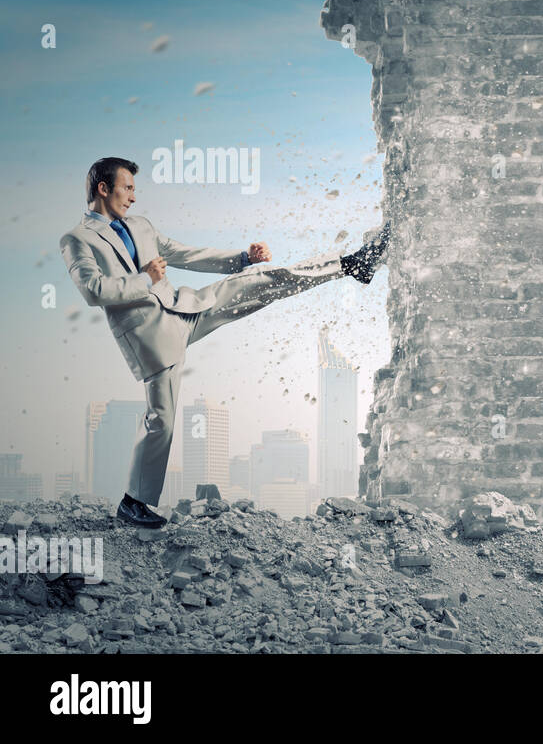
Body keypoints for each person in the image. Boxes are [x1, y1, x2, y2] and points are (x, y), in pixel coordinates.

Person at [60, 156, 390, 528]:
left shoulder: (140, 225)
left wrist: (242, 258)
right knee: (162, 420)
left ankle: (350, 265)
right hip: (149, 336)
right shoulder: (77, 239)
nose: (134, 198)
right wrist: (147, 280)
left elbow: (185, 254)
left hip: (187, 308)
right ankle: (133, 502)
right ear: (104, 188)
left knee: (263, 281)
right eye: (128, 188)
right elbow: (93, 290)